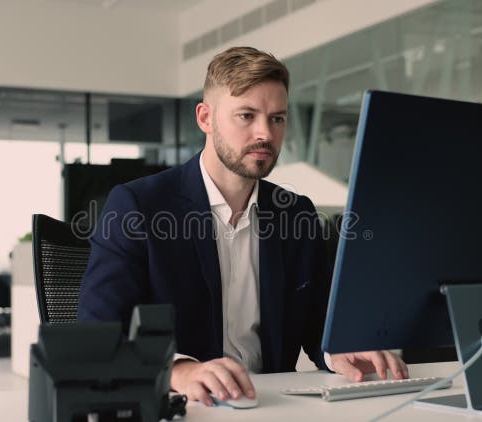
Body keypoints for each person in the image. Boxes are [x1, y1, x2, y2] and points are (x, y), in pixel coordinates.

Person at [77, 46, 408, 406]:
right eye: (247, 116)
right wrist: (178, 371)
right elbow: (99, 333)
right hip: (190, 407)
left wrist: (338, 351)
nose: (265, 133)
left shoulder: (294, 213)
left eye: (277, 118)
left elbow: (317, 323)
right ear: (205, 118)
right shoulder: (138, 206)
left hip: (275, 406)